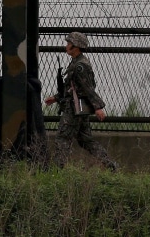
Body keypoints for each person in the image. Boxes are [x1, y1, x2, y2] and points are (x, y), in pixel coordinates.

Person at [44, 31, 118, 170]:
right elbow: (72, 88)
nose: (66, 46)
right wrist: (55, 98)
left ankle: (57, 171)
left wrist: (98, 107)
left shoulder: (80, 66)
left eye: (69, 43)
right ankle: (110, 165)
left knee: (62, 138)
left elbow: (88, 88)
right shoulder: (76, 62)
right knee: (85, 140)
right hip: (78, 108)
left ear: (76, 46)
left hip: (74, 109)